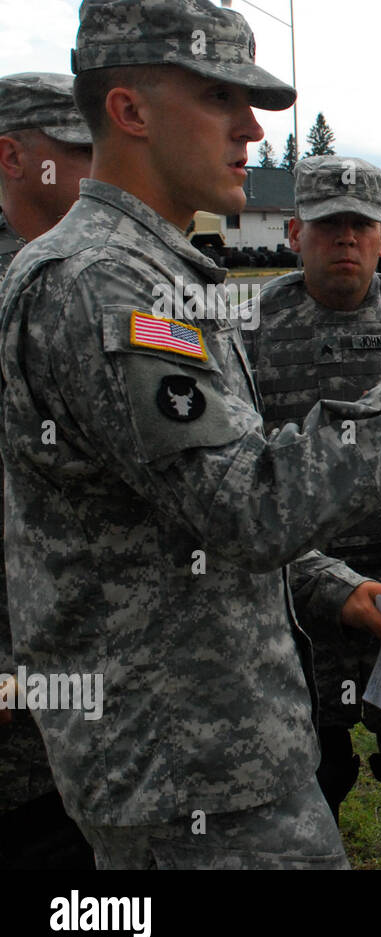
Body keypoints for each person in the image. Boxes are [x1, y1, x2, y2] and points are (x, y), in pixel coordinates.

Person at [0, 0, 381, 870]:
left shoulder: (150, 272)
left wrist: (330, 586)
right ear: (130, 111)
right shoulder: (101, 285)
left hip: (220, 745)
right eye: (220, 97)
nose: (252, 128)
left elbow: (191, 504)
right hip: (188, 770)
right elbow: (250, 505)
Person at [247, 156, 381, 868]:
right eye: (326, 225)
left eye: (359, 226)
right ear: (294, 233)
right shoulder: (250, 328)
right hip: (294, 584)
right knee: (312, 759)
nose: (344, 239)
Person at [0, 71, 95, 870]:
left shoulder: (104, 278)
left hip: (91, 659)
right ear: (11, 156)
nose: (96, 171)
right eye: (74, 153)